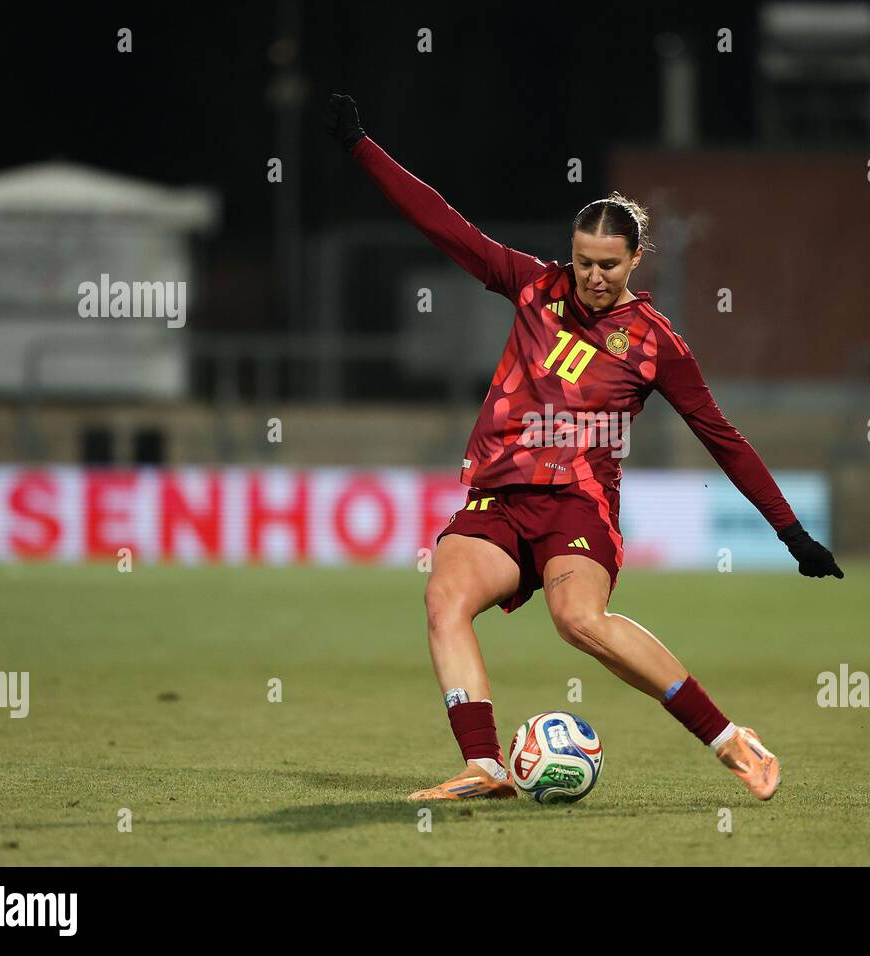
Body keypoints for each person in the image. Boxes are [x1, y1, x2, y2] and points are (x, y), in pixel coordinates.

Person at [326, 94, 842, 802]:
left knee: (578, 622)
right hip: (501, 499)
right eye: (583, 261)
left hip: (577, 507)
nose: (593, 276)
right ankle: (485, 767)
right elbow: (440, 221)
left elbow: (723, 439)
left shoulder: (658, 344)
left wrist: (791, 533)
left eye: (608, 264)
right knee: (444, 595)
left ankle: (732, 741)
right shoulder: (533, 286)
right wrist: (362, 147)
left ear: (634, 259)